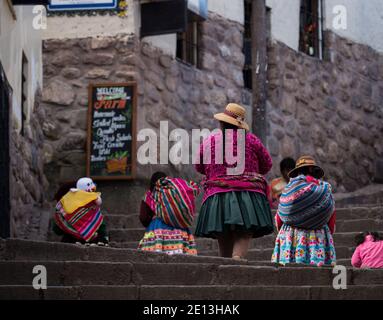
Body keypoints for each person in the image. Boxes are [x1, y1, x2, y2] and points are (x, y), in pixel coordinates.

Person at [194, 103, 274, 260]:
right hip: (247, 194)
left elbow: (199, 166)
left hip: (217, 194)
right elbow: (267, 164)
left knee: (223, 231)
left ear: (222, 123)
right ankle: (237, 258)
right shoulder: (252, 140)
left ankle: (225, 262)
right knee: (244, 231)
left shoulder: (210, 141)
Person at [272, 156, 336, 266]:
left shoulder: (289, 189)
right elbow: (331, 213)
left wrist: (281, 229)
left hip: (292, 236)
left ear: (297, 172)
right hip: (317, 236)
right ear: (313, 170)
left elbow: (281, 214)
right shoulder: (324, 189)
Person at [138, 172, 199, 255]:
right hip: (180, 228)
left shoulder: (150, 195)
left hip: (157, 228)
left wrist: (152, 220)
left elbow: (143, 217)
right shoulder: (175, 194)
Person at [53, 177, 109, 246]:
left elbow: (57, 230)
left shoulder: (91, 209)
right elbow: (57, 230)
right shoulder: (91, 209)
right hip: (79, 240)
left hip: (84, 241)